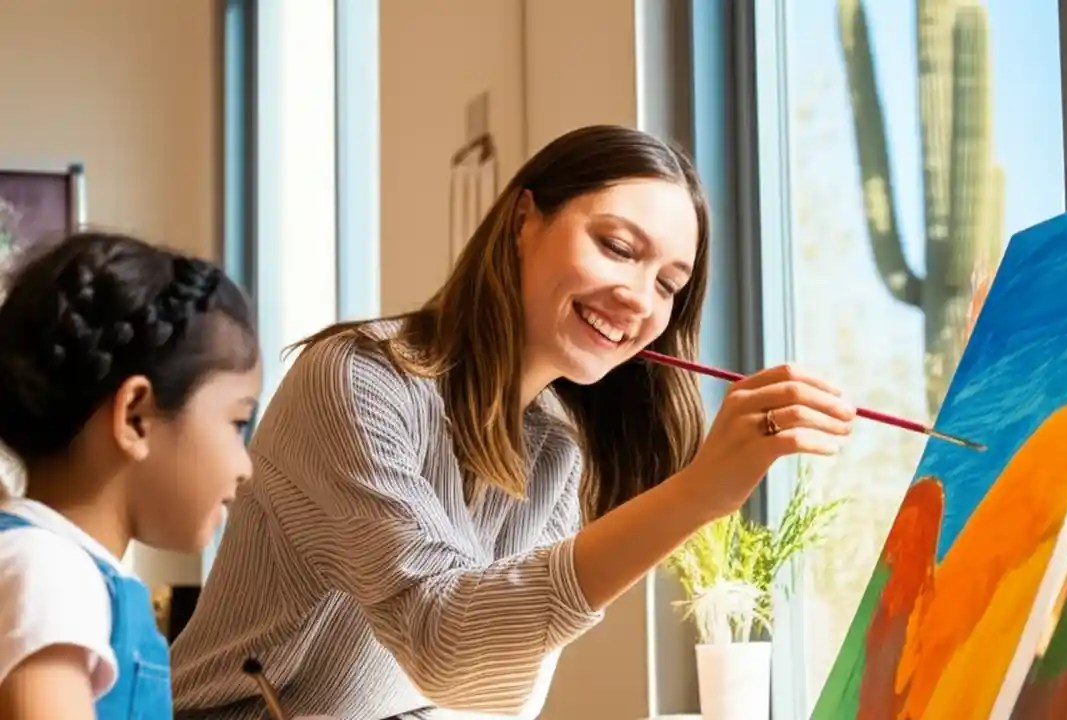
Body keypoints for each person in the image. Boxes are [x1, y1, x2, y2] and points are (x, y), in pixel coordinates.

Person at [171, 125, 854, 719]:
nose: (639, 298)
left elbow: (491, 695)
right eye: (618, 246)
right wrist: (698, 493)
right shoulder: (355, 378)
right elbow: (443, 643)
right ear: (524, 219)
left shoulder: (557, 452)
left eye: (668, 284)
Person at [0, 231, 262, 719]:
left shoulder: (63, 570)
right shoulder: (48, 572)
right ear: (136, 417)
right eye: (237, 423)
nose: (245, 467)